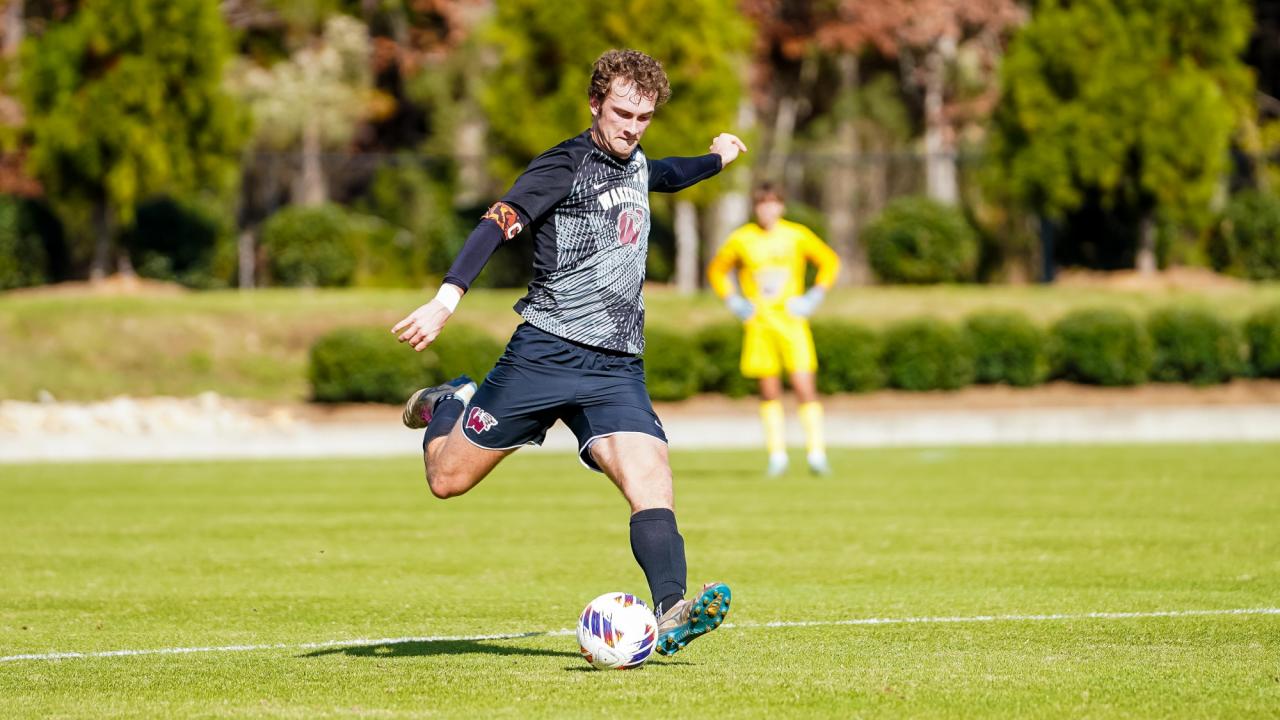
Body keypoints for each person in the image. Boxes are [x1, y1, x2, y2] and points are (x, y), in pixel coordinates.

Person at [390, 49, 746, 657]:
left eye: (644, 116)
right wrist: (446, 301)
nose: (632, 127)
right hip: (543, 356)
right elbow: (497, 222)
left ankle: (672, 607)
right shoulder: (564, 165)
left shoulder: (636, 166)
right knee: (446, 481)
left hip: (616, 368)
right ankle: (453, 400)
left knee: (651, 479)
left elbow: (670, 173)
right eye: (622, 112)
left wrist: (717, 158)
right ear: (595, 105)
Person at [707, 183, 840, 477]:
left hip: (792, 322)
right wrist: (734, 301)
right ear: (755, 208)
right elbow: (717, 270)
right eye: (761, 204)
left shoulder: (796, 235)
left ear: (781, 206)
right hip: (760, 323)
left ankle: (816, 453)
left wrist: (814, 296)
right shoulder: (742, 239)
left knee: (805, 386)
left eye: (773, 203)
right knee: (769, 391)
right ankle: (777, 455)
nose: (767, 209)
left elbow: (828, 261)